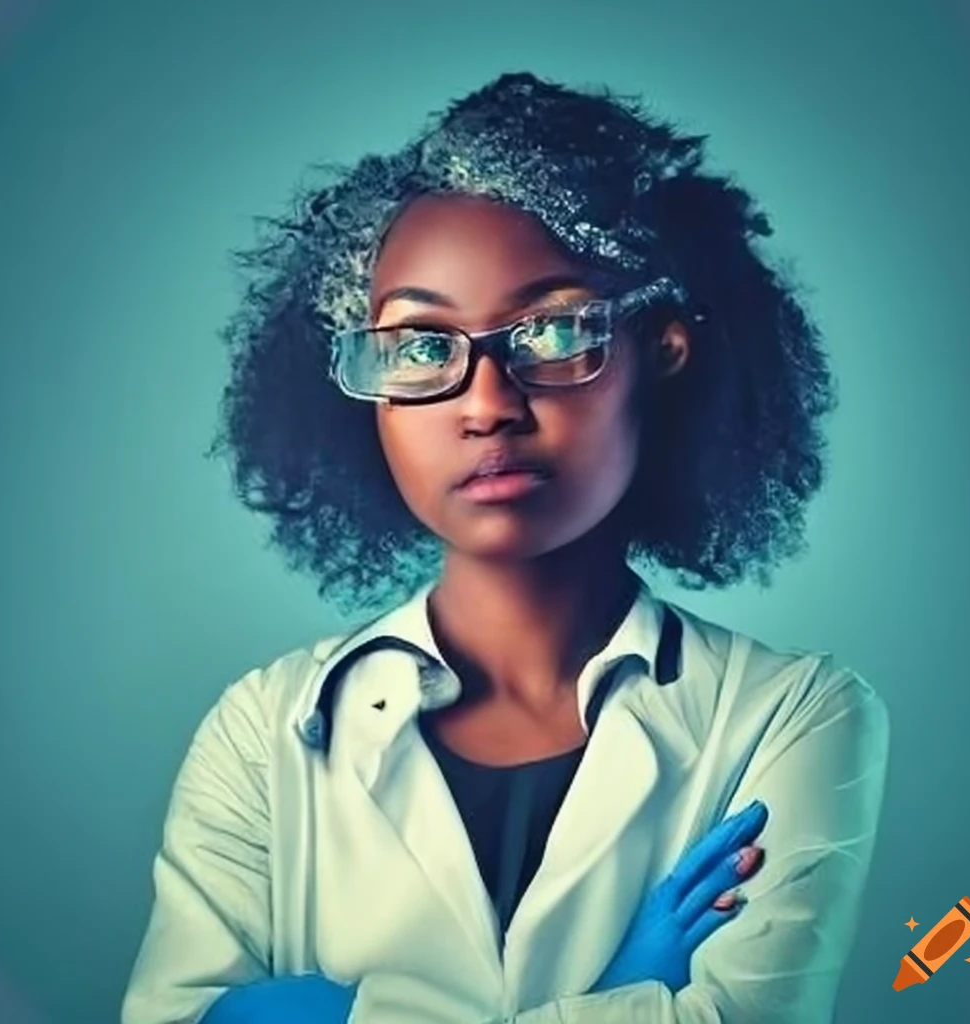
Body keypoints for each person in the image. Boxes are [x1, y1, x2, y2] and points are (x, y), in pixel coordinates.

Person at [121, 72, 889, 1024]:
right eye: (417, 346)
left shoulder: (794, 717)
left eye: (556, 328)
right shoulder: (262, 732)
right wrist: (617, 1000)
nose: (486, 404)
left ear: (663, 348)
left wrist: (326, 1013)